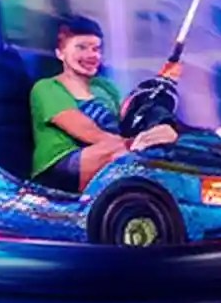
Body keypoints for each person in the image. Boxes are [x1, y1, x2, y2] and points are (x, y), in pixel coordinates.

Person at [29, 16, 177, 192]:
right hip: (60, 166)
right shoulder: (47, 88)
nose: (92, 55)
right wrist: (135, 144)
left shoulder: (106, 87)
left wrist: (159, 124)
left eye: (96, 49)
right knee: (125, 155)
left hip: (112, 152)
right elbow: (88, 132)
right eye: (81, 47)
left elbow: (129, 117)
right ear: (60, 53)